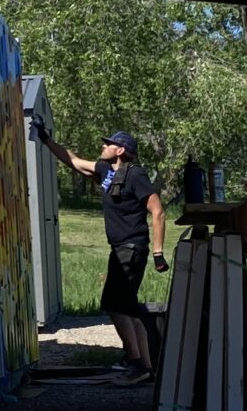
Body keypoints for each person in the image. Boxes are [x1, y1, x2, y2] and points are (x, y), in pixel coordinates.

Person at [57, 130, 167, 385]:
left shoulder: (136, 174)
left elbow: (158, 211)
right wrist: (45, 139)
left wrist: (158, 252)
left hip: (131, 248)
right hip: (120, 248)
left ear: (120, 150)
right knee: (127, 306)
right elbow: (72, 161)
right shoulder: (107, 172)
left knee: (114, 304)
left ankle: (135, 362)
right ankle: (144, 367)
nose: (103, 145)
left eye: (109, 143)